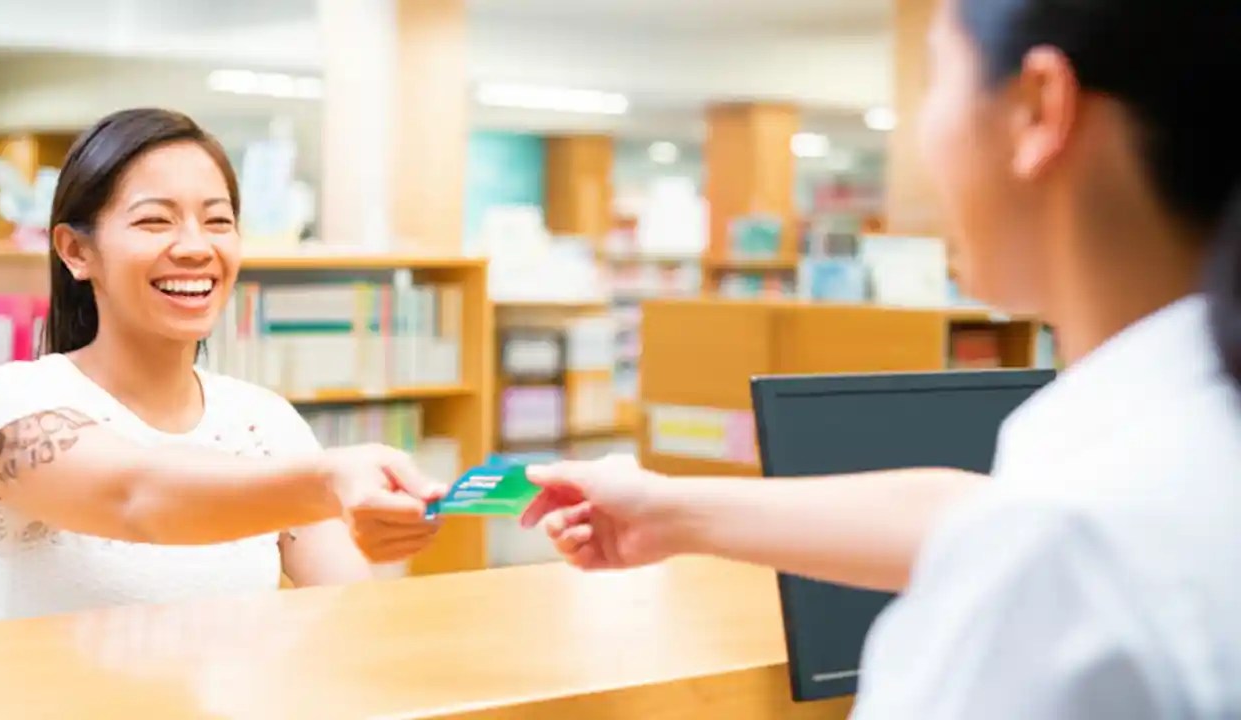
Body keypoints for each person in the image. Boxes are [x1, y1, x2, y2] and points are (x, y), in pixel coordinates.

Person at [522, 0, 1241, 717]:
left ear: (1037, 109)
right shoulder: (1171, 449)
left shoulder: (1060, 557)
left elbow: (1030, 535)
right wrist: (671, 511)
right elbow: (978, 515)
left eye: (935, 80)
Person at [0, 108, 446, 622]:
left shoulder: (265, 422)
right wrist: (328, 485)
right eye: (155, 220)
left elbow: (352, 612)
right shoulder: (16, 400)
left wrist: (387, 525)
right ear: (76, 251)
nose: (195, 247)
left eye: (218, 221)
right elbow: (138, 497)